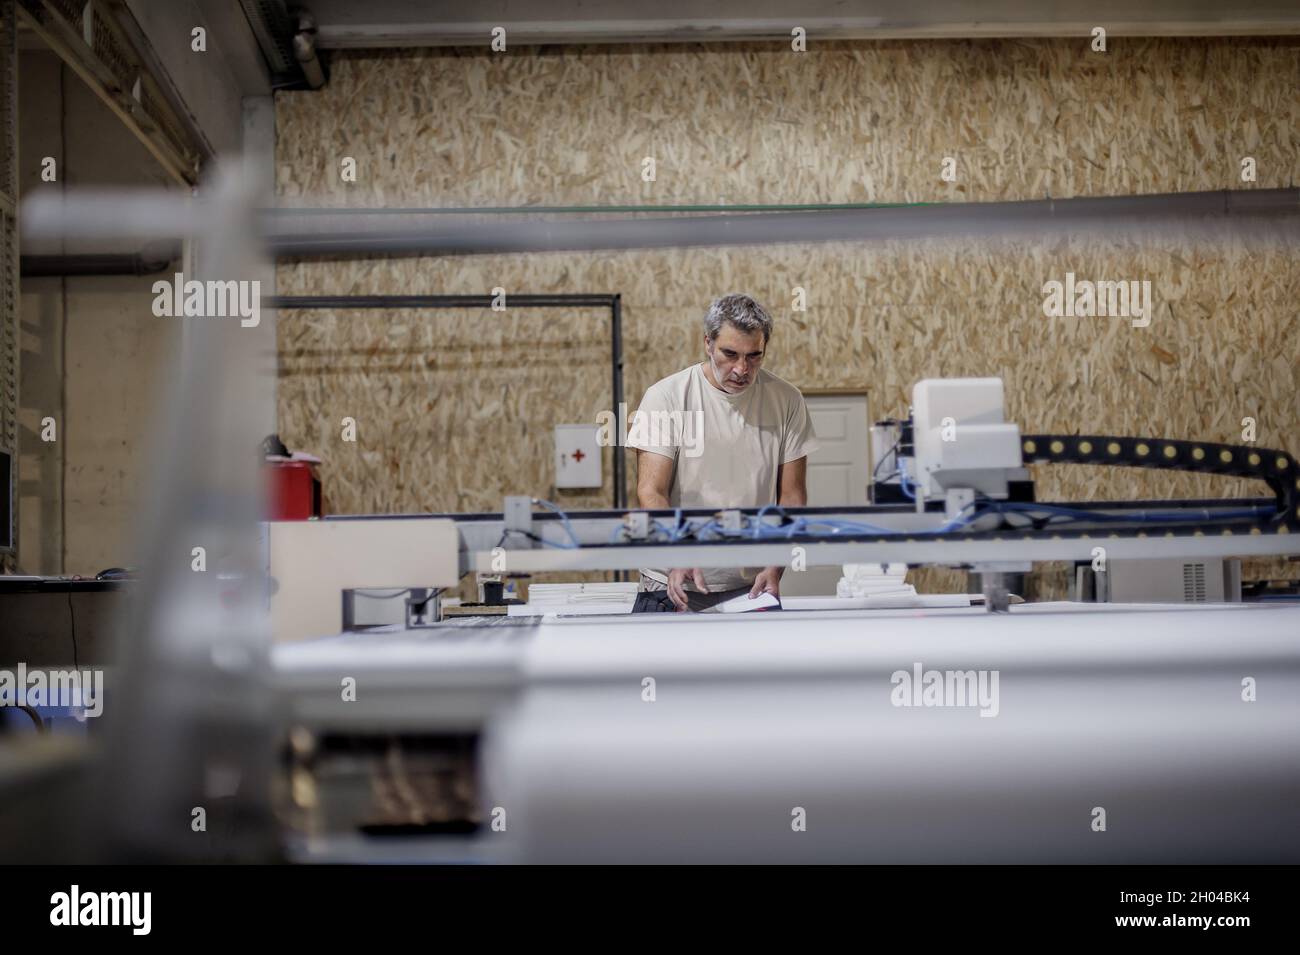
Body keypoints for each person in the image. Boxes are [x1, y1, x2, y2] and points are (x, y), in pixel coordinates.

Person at [627, 293, 819, 612]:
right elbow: (651, 491)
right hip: (671, 583)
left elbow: (793, 497)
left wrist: (775, 565)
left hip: (749, 586)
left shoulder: (787, 401)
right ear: (708, 343)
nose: (741, 369)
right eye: (730, 354)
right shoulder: (666, 397)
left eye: (754, 356)